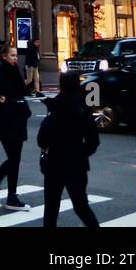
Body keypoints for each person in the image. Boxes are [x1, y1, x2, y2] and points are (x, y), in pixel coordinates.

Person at [37, 73, 100, 228]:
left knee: (51, 208)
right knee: (81, 205)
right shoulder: (83, 108)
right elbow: (93, 141)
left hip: (54, 162)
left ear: (61, 85)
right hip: (76, 164)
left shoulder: (56, 107)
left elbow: (42, 138)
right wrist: (80, 153)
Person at [0, 42, 31, 210]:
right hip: (6, 119)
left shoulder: (13, 69)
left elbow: (22, 90)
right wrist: (2, 99)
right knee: (13, 158)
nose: (15, 58)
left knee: (15, 158)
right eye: (12, 55)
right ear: (4, 56)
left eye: (15, 55)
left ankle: (8, 193)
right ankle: (0, 188)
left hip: (18, 117)